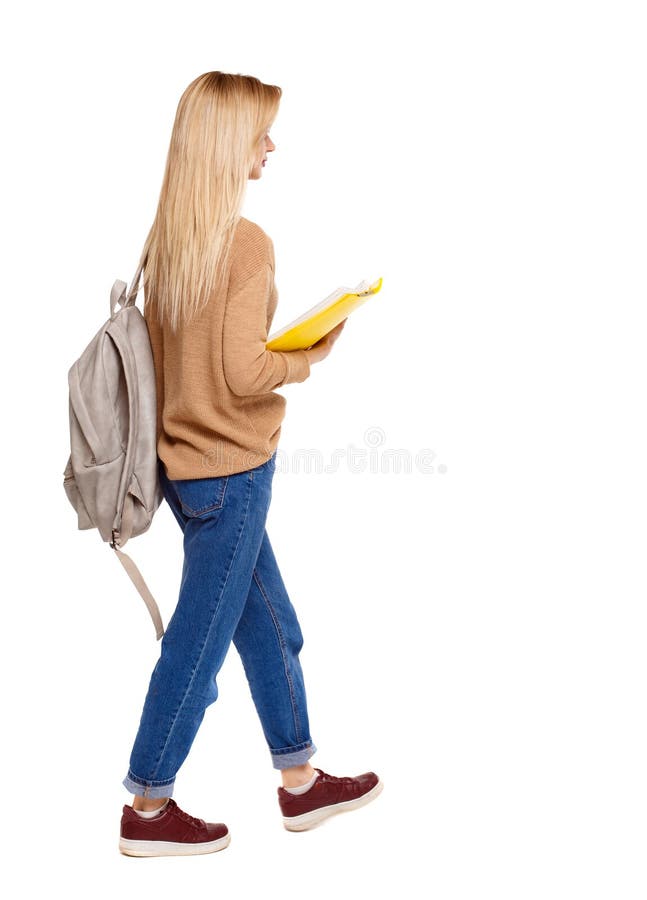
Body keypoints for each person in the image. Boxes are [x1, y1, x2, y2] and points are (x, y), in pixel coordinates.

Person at [118, 71, 383, 858]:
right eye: (261, 131)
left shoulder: (169, 239)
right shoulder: (243, 242)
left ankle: (300, 782)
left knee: (270, 627)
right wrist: (310, 353)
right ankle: (149, 805)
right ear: (228, 143)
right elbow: (242, 373)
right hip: (231, 470)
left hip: (187, 471)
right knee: (197, 645)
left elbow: (190, 364)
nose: (271, 144)